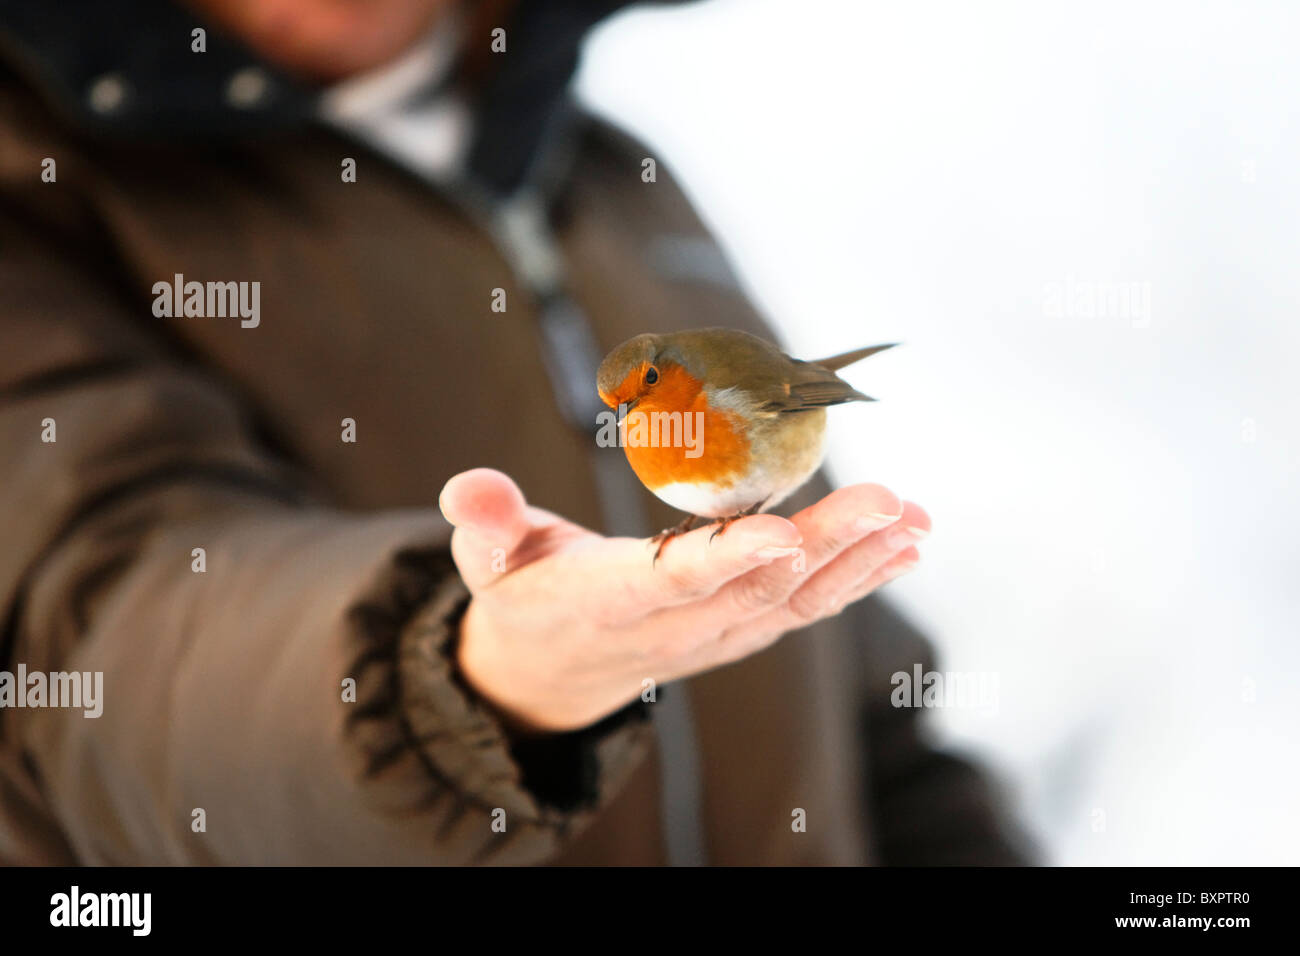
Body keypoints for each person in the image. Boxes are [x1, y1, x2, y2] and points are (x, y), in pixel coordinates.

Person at [0, 0, 1030, 864]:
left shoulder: (612, 172)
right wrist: (455, 680)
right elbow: (97, 620)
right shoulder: (37, 183)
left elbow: (867, 722)